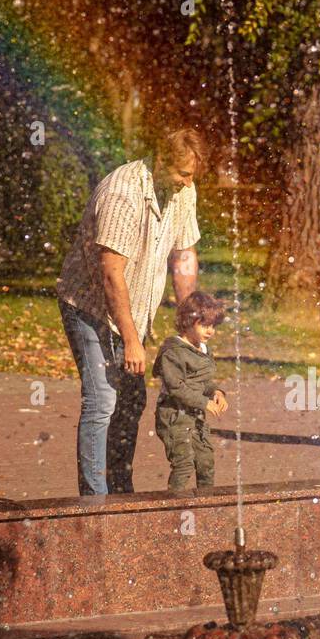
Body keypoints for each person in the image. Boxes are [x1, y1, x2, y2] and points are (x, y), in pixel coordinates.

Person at [56, 128, 205, 495]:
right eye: (182, 175)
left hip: (132, 310)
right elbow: (111, 273)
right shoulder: (122, 192)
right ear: (160, 160)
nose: (187, 184)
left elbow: (184, 255)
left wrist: (191, 319)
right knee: (103, 398)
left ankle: (121, 490)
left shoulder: (183, 191)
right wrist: (132, 340)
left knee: (132, 400)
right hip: (89, 305)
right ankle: (94, 501)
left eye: (192, 177)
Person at [153, 292, 228, 492]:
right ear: (188, 321)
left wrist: (217, 392)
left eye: (213, 325)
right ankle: (172, 507)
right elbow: (176, 387)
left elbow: (203, 381)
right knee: (184, 463)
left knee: (205, 462)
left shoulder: (203, 349)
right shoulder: (173, 352)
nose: (210, 331)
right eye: (205, 325)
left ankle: (206, 505)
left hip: (195, 416)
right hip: (175, 417)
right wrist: (204, 403)